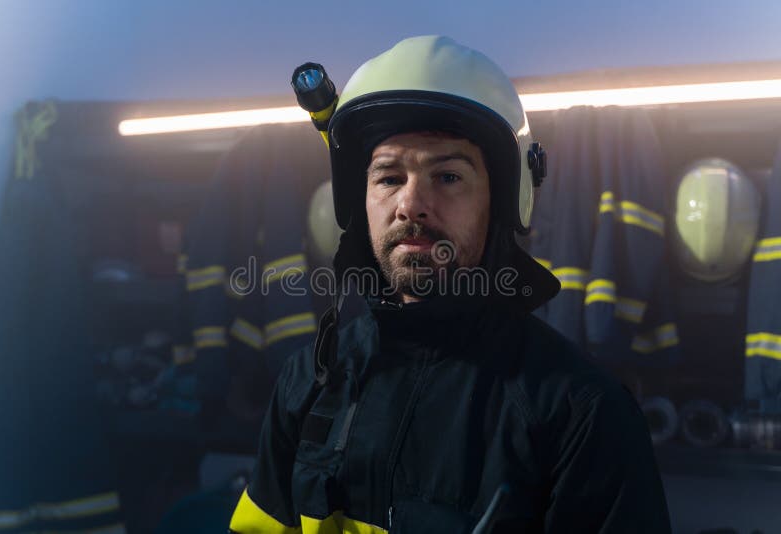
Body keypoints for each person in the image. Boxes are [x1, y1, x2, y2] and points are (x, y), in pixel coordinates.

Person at [229, 35, 671, 533]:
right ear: (360, 202)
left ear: (503, 201)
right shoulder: (309, 382)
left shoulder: (582, 417)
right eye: (389, 177)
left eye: (449, 177)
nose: (411, 204)